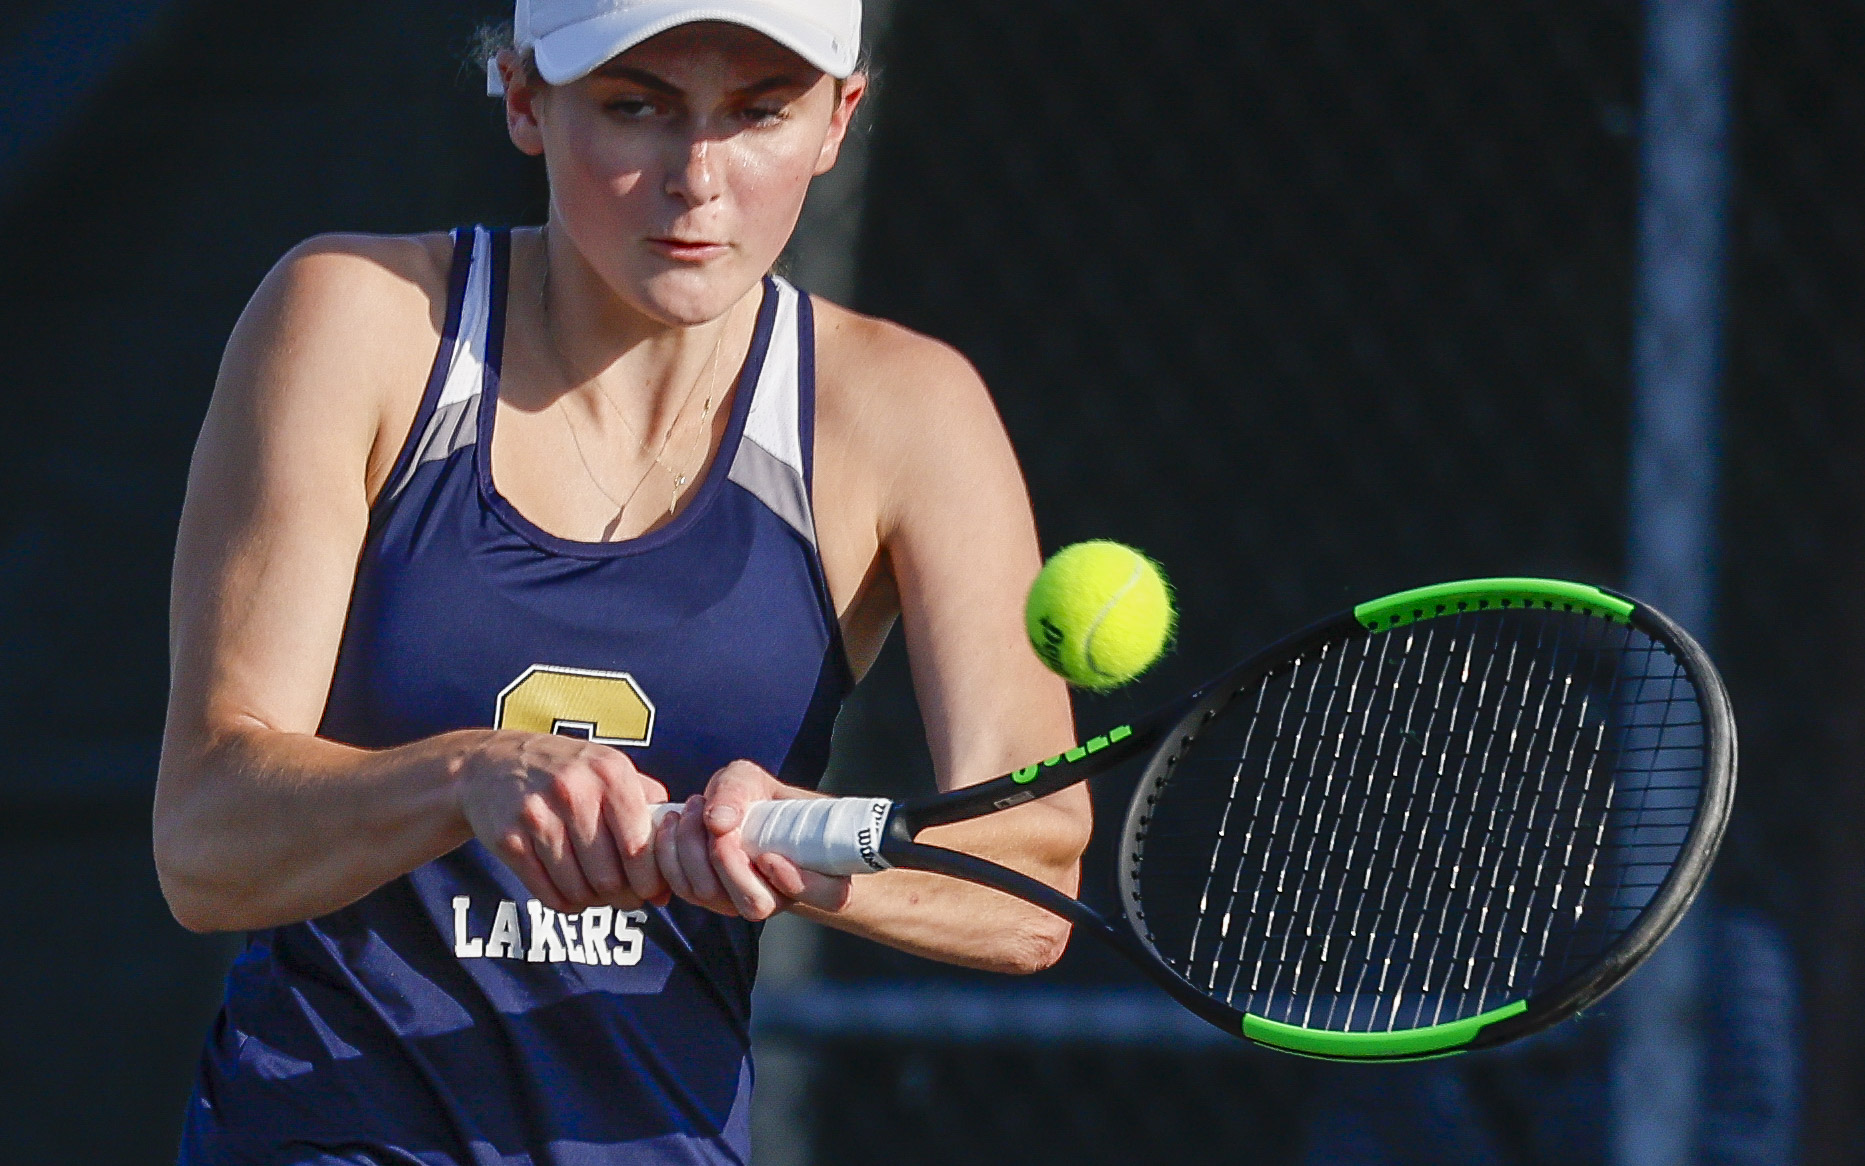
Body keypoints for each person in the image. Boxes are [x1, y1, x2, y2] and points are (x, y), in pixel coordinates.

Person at [152, 0, 1090, 1160]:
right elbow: (206, 838)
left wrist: (787, 842)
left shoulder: (910, 409)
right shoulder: (354, 317)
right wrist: (468, 773)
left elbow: (1028, 882)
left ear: (838, 119)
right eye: (636, 106)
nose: (697, 177)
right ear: (523, 98)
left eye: (758, 112)